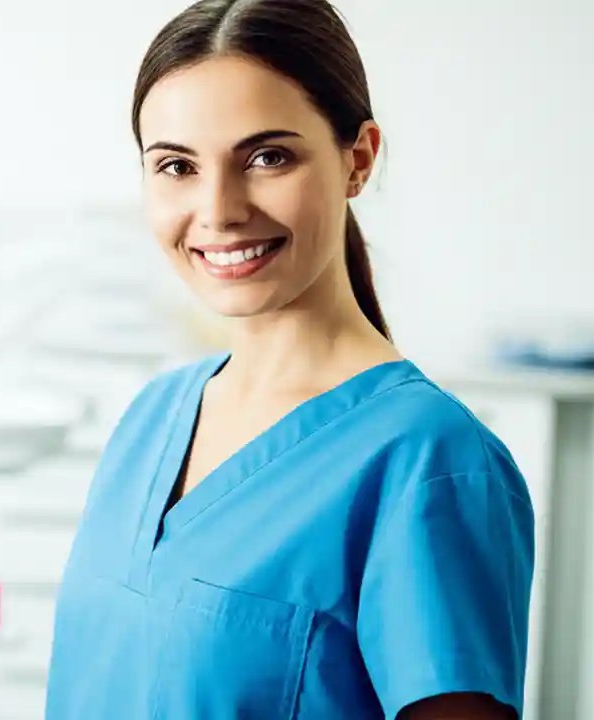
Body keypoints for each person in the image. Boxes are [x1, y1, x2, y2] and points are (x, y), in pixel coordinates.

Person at [44, 1, 534, 718]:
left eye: (267, 157)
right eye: (177, 166)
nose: (218, 210)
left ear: (357, 159)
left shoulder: (429, 461)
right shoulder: (150, 417)